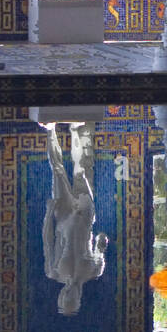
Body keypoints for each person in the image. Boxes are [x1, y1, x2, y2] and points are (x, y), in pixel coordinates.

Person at [41, 122, 107, 316]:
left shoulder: (53, 272)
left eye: (65, 298)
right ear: (78, 298)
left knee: (57, 170)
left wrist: (47, 214)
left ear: (61, 295)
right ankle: (74, 130)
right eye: (72, 299)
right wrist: (102, 243)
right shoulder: (95, 271)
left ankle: (51, 129)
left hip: (62, 216)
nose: (69, 295)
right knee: (81, 172)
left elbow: (47, 240)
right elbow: (101, 241)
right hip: (85, 217)